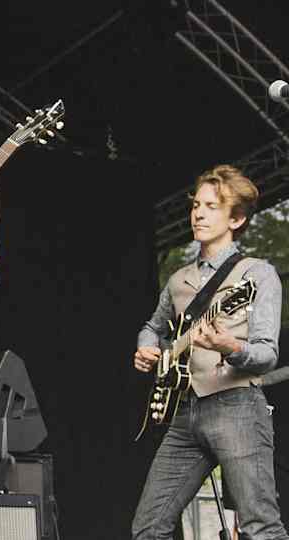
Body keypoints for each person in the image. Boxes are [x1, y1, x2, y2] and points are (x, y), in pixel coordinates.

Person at [132, 164, 287, 539]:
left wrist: (229, 346)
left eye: (212, 206)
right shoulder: (178, 281)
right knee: (148, 528)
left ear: (236, 218)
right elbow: (152, 327)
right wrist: (148, 348)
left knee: (260, 527)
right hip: (185, 412)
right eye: (196, 205)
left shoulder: (257, 274)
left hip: (237, 406)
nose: (198, 213)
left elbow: (267, 354)